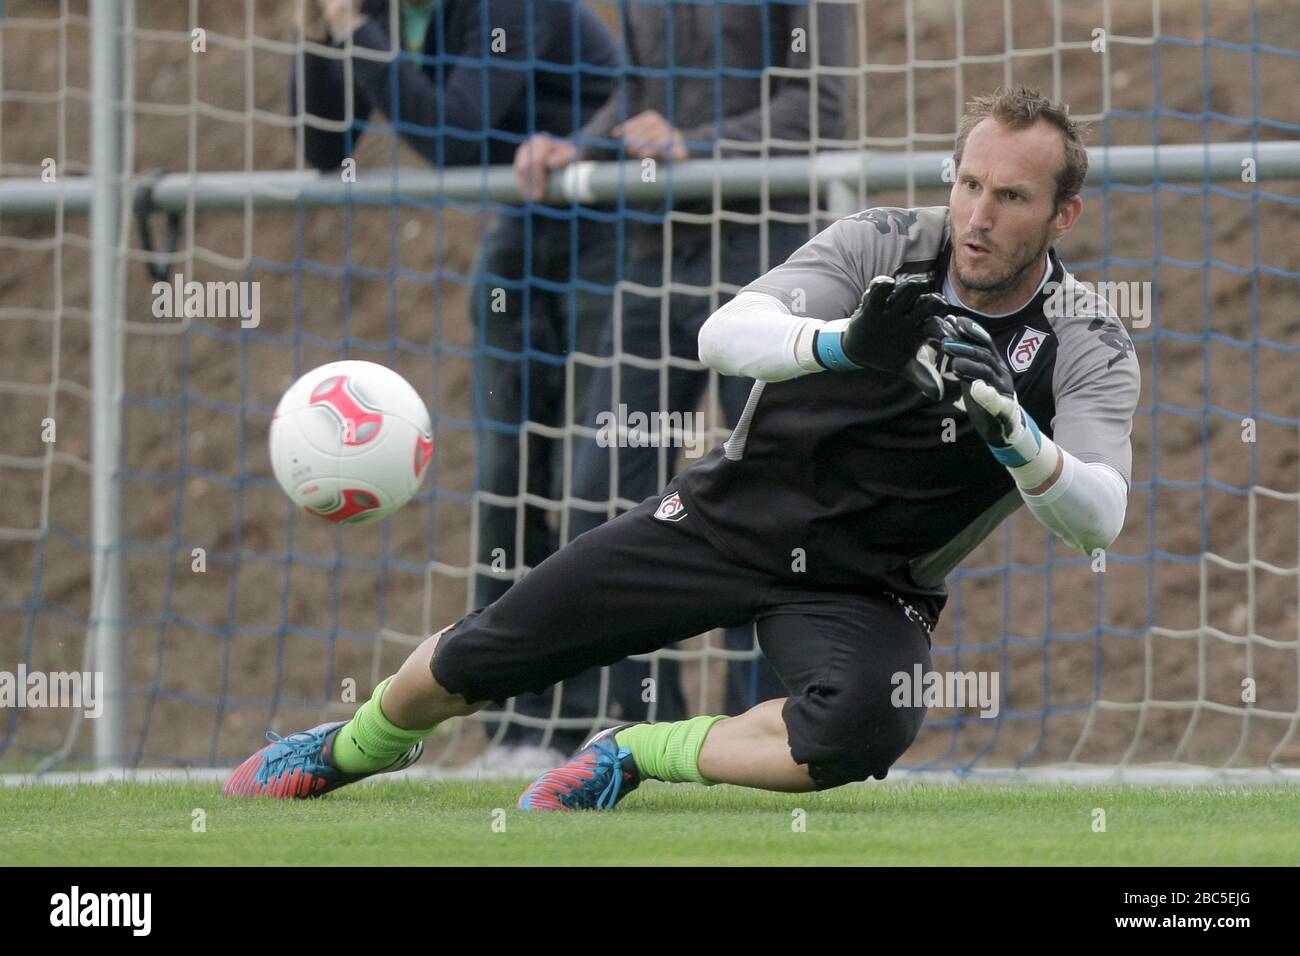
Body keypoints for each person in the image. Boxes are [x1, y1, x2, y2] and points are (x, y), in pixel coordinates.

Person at [226, 84, 1139, 807]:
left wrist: (1017, 435)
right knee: (484, 656)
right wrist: (843, 345)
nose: (978, 215)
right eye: (969, 183)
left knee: (862, 731)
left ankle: (634, 751)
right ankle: (349, 749)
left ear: (1064, 216)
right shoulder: (883, 248)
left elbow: (1098, 517)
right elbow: (725, 333)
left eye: (1012, 196)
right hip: (720, 521)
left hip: (870, 587)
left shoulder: (1086, 340)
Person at [505, 0, 852, 748]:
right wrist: (581, 145)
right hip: (656, 256)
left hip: (768, 256)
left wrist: (692, 145)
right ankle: (641, 737)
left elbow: (819, 109)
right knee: (598, 493)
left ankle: (759, 735)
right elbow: (638, 94)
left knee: (771, 502)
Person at [291, 0, 619, 764]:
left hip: (615, 228)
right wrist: (325, 33)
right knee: (508, 480)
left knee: (593, 482)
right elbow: (321, 145)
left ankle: (597, 723)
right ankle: (517, 732)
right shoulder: (382, 14)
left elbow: (459, 134)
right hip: (525, 228)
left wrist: (361, 36)